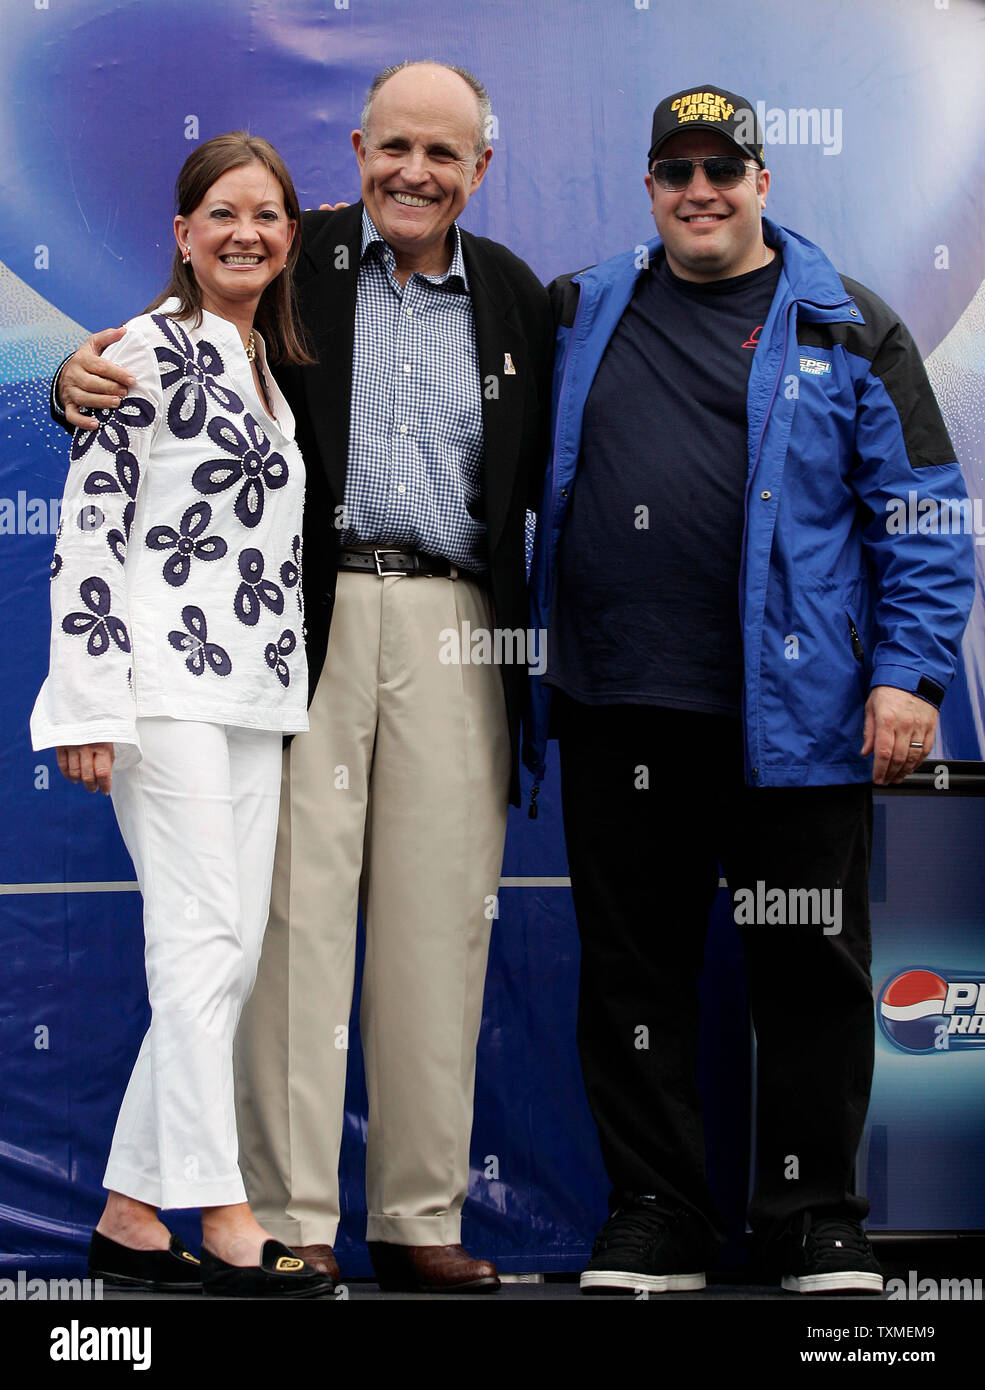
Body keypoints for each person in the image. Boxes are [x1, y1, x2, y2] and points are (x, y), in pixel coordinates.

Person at [56, 63, 553, 1293]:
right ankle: (281, 1211)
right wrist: (81, 374)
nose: (415, 173)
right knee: (282, 936)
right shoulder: (295, 252)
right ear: (357, 148)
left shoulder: (518, 298)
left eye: (443, 154)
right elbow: (160, 357)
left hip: (450, 625)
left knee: (441, 927)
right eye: (394, 147)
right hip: (311, 629)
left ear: (479, 169)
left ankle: (418, 1216)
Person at [524, 84, 975, 1295]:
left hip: (803, 720)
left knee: (808, 971)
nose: (701, 191)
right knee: (634, 978)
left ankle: (813, 1217)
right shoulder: (581, 310)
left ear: (764, 183)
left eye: (724, 170)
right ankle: (657, 1215)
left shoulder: (845, 324)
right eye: (678, 172)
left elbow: (924, 514)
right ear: (652, 189)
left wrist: (909, 676)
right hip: (620, 708)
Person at [34, 132, 335, 1298]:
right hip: (162, 693)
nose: (243, 232)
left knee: (226, 959)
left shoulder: (264, 367)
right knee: (203, 948)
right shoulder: (137, 354)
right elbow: (90, 531)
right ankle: (219, 1208)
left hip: (256, 695)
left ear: (290, 236)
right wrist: (89, 703)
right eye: (220, 213)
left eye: (265, 214)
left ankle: (124, 1213)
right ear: (182, 233)